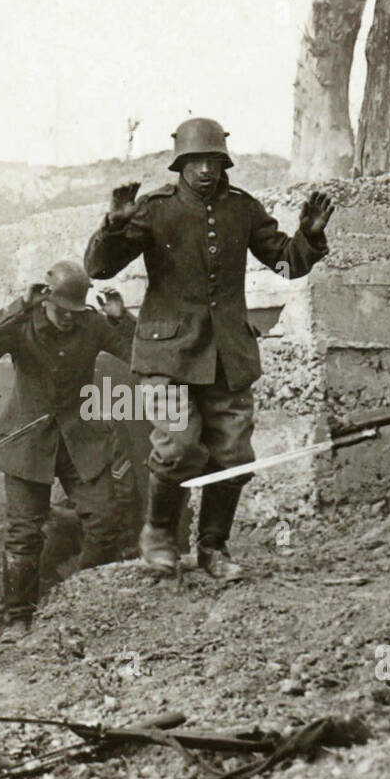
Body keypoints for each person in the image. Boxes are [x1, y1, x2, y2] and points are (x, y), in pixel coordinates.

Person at [84, 116, 334, 580]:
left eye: (214, 162)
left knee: (234, 457)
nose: (206, 171)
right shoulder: (153, 209)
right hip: (168, 358)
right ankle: (158, 535)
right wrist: (114, 228)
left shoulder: (243, 208)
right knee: (178, 449)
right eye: (196, 162)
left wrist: (309, 236)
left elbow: (286, 263)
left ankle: (214, 548)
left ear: (225, 164)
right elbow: (100, 269)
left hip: (228, 356)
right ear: (180, 164)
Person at [0, 260, 135, 641]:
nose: (67, 319)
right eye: (61, 310)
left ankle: (82, 605)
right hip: (29, 443)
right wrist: (18, 305)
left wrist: (121, 317)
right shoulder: (22, 324)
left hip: (80, 440)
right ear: (45, 299)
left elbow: (138, 354)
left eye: (74, 311)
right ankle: (18, 618)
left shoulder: (91, 324)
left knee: (105, 520)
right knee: (24, 534)